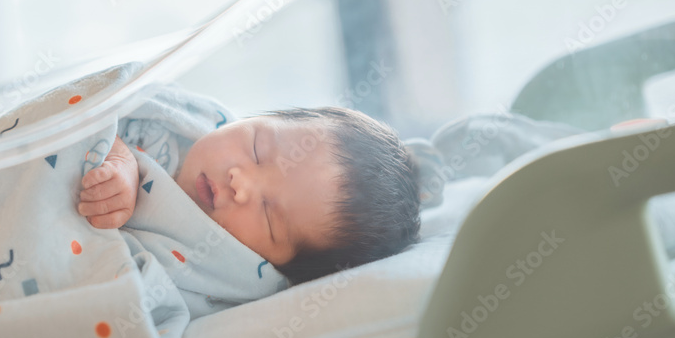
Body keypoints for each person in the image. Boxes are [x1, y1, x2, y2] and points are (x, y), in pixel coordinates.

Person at [78, 106, 421, 284]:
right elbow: (92, 103)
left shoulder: (203, 276)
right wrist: (117, 153)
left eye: (270, 215)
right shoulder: (177, 121)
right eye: (258, 150)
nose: (240, 185)